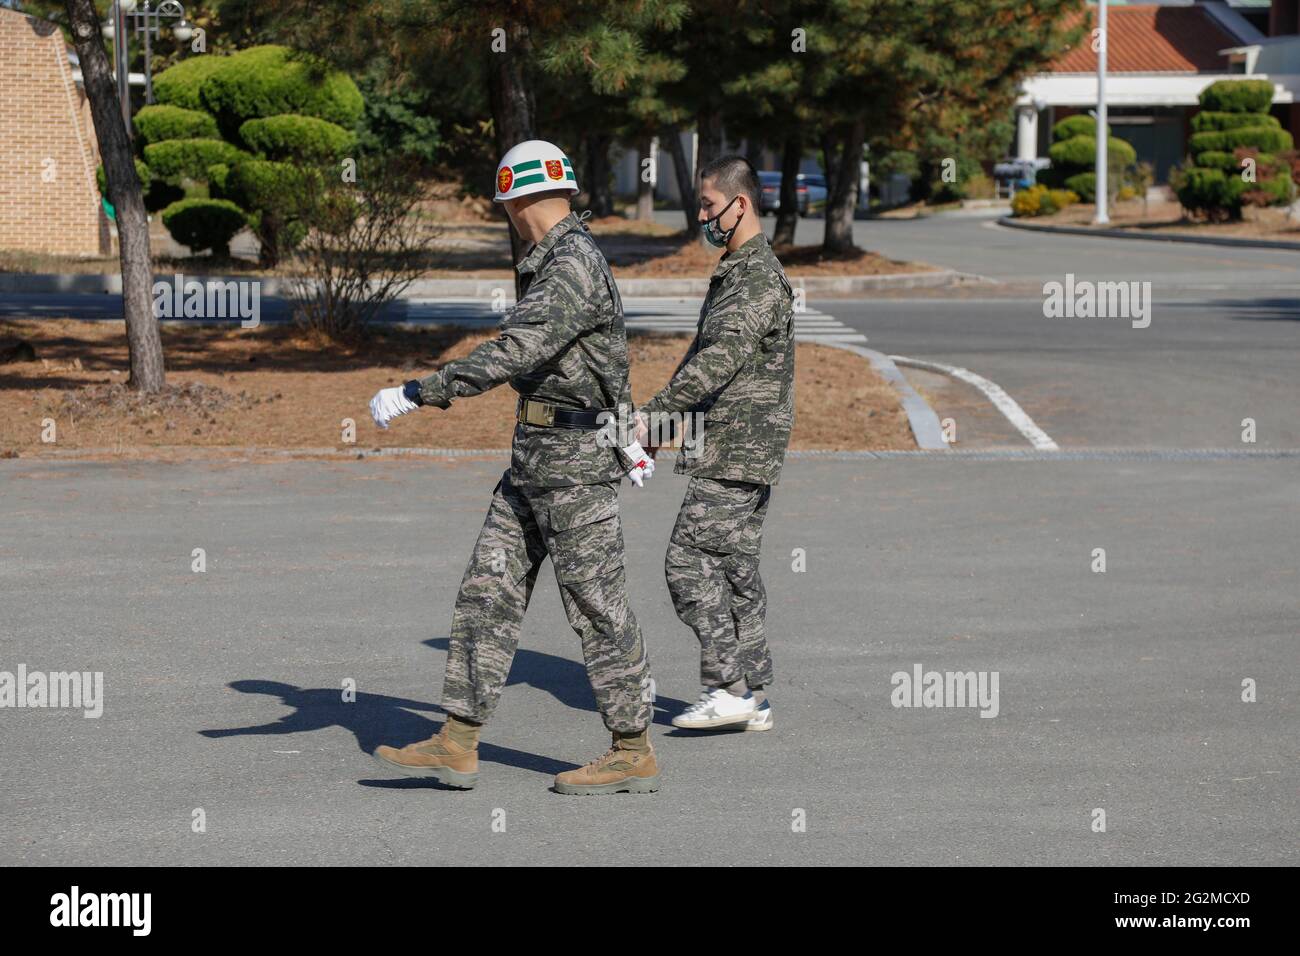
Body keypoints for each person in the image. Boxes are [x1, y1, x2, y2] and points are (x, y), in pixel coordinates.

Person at [368, 140, 660, 795]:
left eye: (505, 203)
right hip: (533, 464)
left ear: (516, 199)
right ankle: (458, 740)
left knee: (597, 607)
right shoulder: (554, 260)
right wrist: (628, 428)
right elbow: (604, 359)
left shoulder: (570, 265)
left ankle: (632, 747)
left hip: (576, 471)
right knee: (487, 593)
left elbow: (516, 350)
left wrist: (421, 391)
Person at [635, 154, 795, 732]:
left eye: (707, 205)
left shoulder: (754, 278)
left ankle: (726, 688)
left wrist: (649, 418)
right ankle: (749, 694)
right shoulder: (738, 268)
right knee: (735, 570)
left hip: (736, 449)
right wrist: (667, 426)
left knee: (686, 563)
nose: (701, 215)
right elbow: (703, 357)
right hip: (735, 445)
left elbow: (718, 362)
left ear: (739, 204)